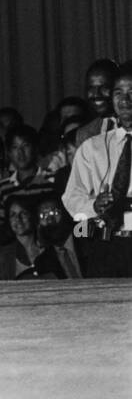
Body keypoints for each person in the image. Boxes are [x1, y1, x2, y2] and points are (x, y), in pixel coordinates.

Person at [63, 61, 132, 277]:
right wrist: (93, 205)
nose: (125, 100)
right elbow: (72, 197)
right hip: (107, 245)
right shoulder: (92, 147)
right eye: (119, 93)